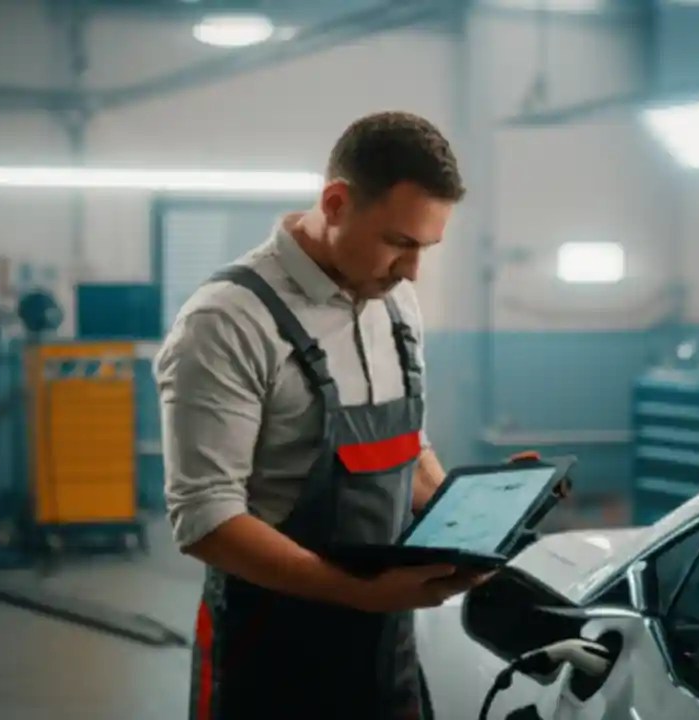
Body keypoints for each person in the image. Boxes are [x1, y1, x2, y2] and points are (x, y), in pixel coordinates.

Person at [155, 111, 481, 719]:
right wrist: (361, 592)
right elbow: (206, 516)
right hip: (271, 659)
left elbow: (406, 449)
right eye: (399, 242)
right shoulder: (227, 322)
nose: (412, 271)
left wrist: (480, 521)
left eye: (425, 248)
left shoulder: (395, 302)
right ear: (335, 203)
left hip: (387, 652)